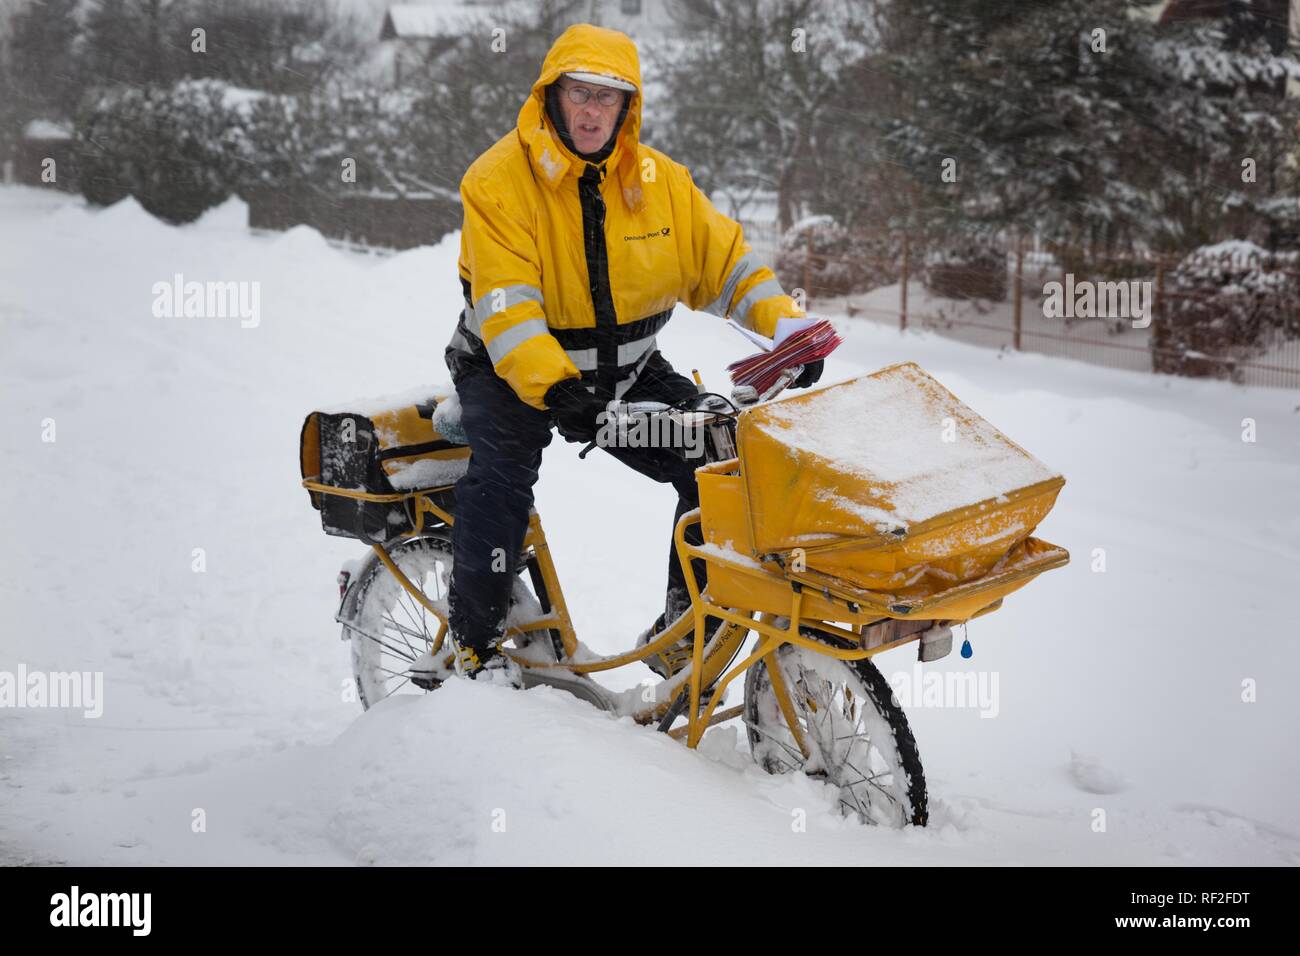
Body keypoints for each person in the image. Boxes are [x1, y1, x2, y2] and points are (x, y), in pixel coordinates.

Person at [442, 23, 821, 686]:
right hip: (511, 369)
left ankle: (685, 628)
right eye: (579, 93)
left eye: (607, 98)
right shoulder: (498, 180)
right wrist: (557, 390)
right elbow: (506, 305)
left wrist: (786, 328)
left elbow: (726, 264)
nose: (591, 110)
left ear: (628, 107)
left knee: (720, 460)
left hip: (625, 365)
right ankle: (471, 650)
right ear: (553, 95)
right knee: (500, 487)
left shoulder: (659, 182)